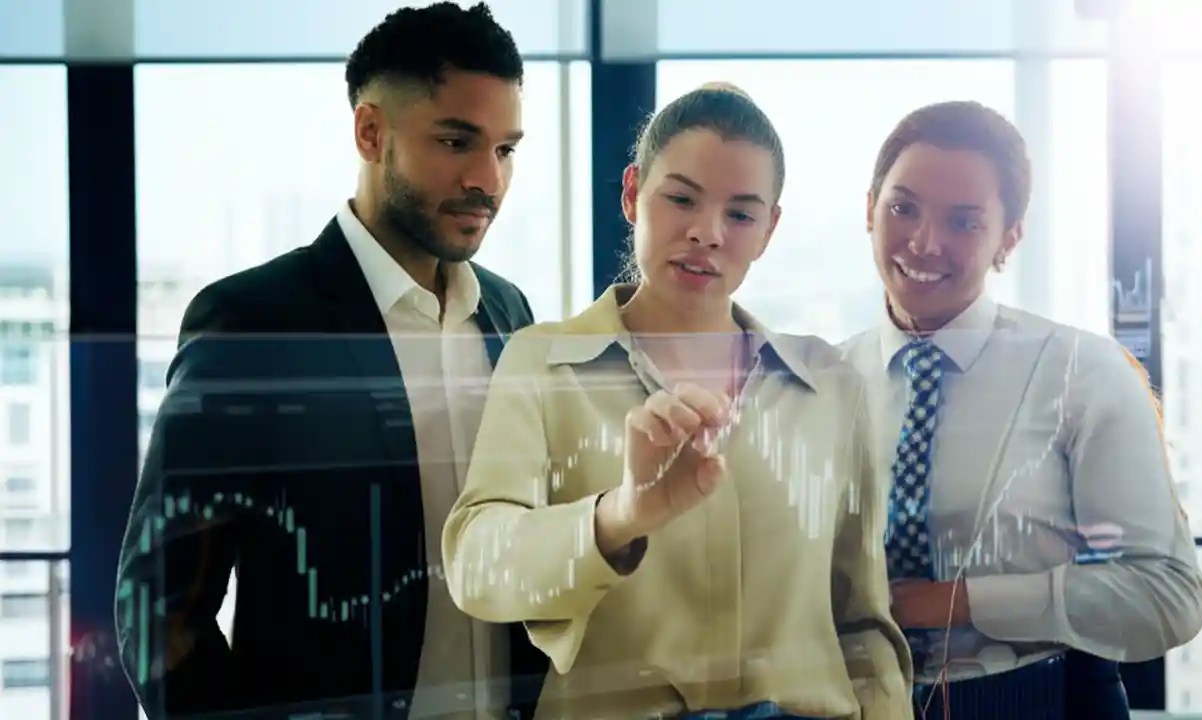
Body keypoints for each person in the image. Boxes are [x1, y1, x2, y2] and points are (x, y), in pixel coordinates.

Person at [114, 4, 547, 718]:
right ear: (370, 132)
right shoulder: (257, 323)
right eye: (455, 141)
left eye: (505, 150)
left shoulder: (509, 315)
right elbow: (157, 607)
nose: (487, 180)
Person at [441, 83, 913, 720]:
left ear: (770, 229)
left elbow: (863, 626)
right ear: (633, 194)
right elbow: (477, 564)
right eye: (682, 199)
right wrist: (618, 516)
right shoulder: (542, 363)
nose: (706, 233)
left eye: (741, 214)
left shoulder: (830, 387)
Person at [842, 100, 1202, 719]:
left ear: (1009, 236)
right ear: (869, 207)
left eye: (964, 222)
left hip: (1036, 700)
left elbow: (1167, 596)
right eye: (903, 208)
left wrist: (953, 602)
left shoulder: (1081, 371)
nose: (925, 242)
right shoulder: (826, 380)